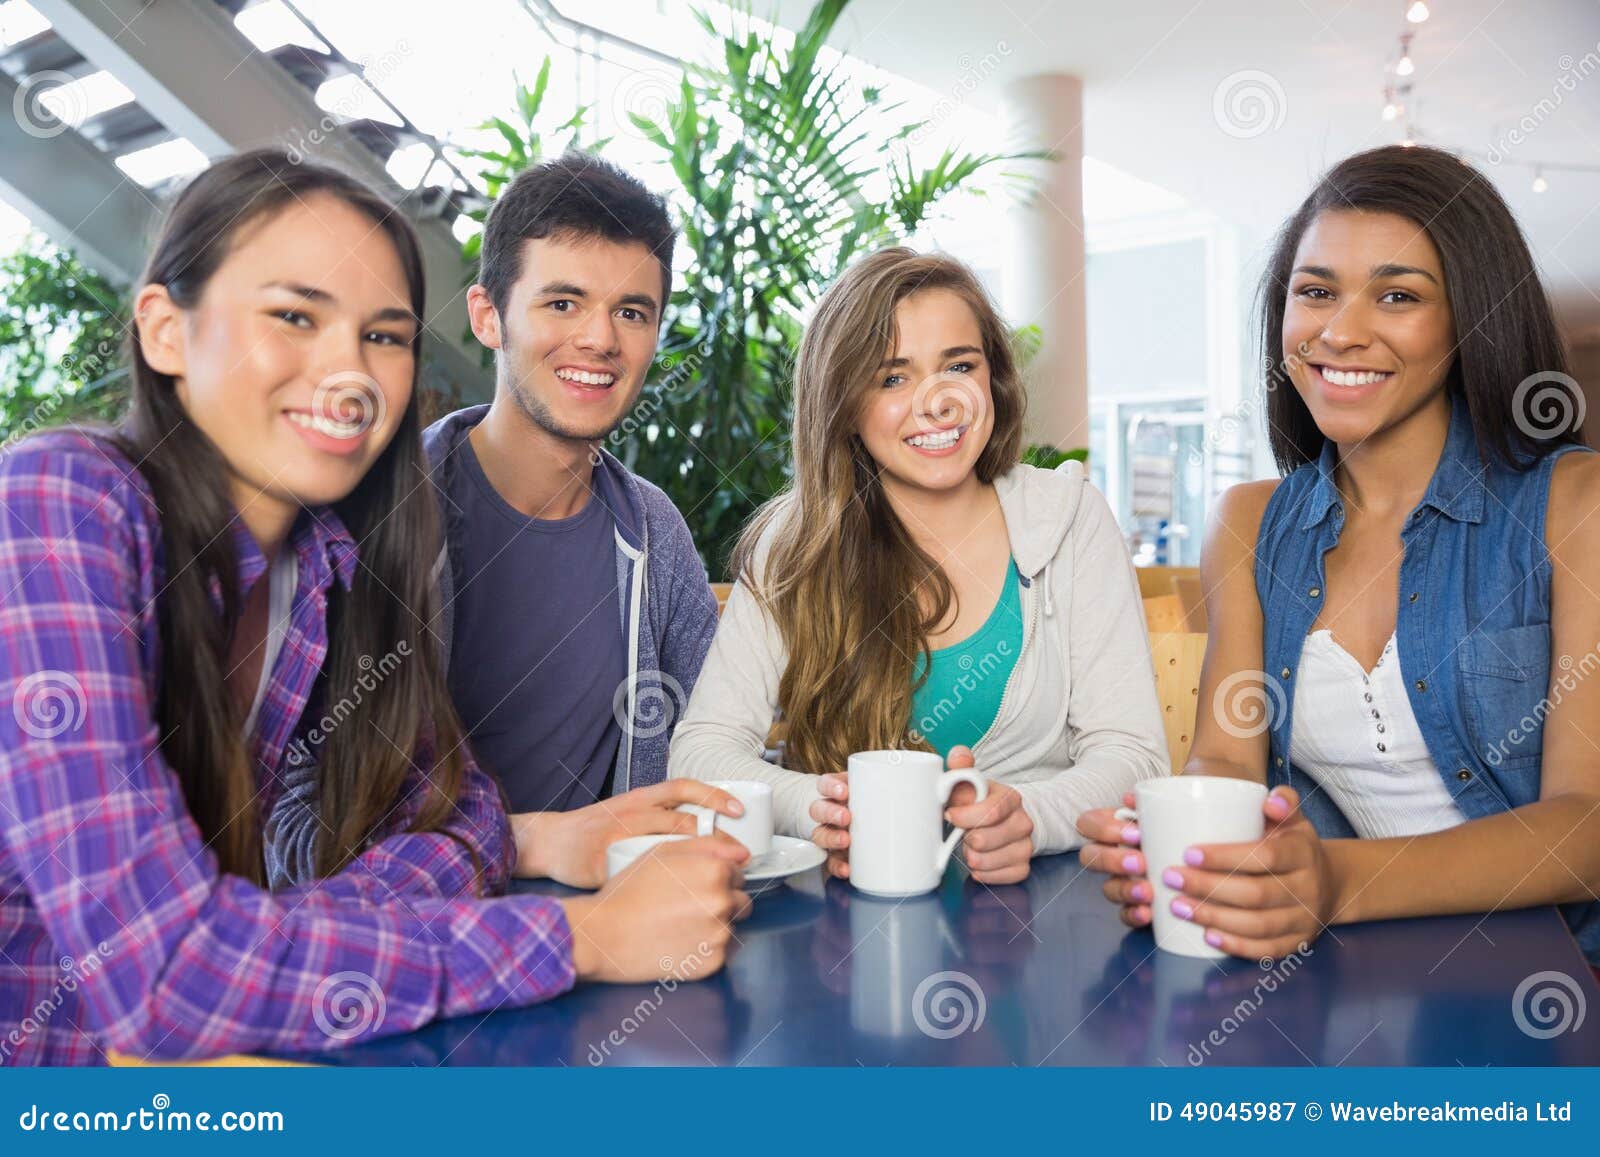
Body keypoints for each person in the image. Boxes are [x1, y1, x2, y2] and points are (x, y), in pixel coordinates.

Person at [0, 149, 748, 1066]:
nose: (347, 372)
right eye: (294, 316)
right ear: (163, 329)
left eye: (383, 335)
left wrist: (265, 941)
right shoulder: (61, 503)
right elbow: (166, 976)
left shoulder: (333, 559)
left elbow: (466, 825)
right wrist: (586, 938)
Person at [1078, 145, 1600, 967]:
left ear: (1470, 319)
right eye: (1315, 292)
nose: (1341, 330)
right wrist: (1180, 831)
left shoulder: (1575, 502)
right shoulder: (1248, 521)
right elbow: (1227, 753)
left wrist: (1338, 883)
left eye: (1397, 295)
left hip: (1553, 984)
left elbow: (1586, 827)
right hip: (1342, 981)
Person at [669, 247, 1168, 885]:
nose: (936, 403)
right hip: (844, 926)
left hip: (1040, 918)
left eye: (959, 365)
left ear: (993, 380)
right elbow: (699, 756)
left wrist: (1029, 817)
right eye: (892, 378)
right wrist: (818, 808)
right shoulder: (793, 546)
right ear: (844, 404)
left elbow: (1135, 756)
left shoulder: (1069, 519)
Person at [423, 152, 741, 889]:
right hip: (412, 943)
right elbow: (308, 829)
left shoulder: (653, 531)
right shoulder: (388, 515)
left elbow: (719, 734)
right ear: (487, 316)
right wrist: (530, 840)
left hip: (617, 941)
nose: (601, 339)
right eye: (562, 303)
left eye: (632, 312)